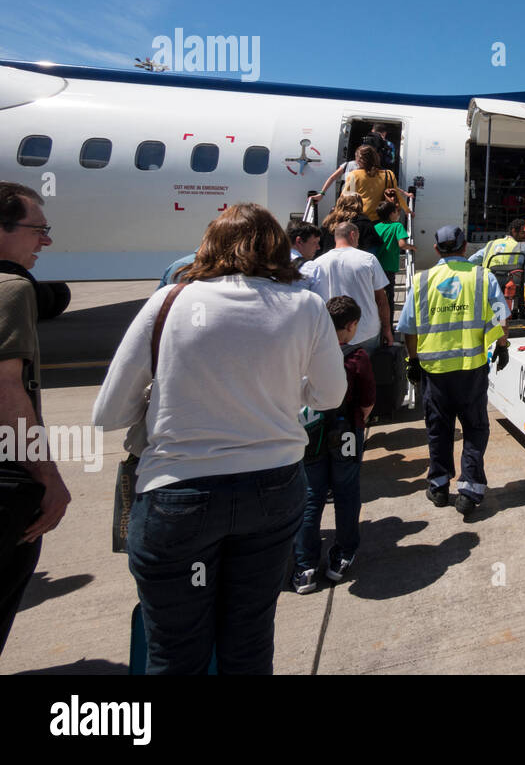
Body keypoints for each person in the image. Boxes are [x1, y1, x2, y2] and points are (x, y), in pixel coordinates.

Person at [92, 203, 346, 674]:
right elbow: (330, 396)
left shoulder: (169, 301)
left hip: (178, 491)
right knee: (249, 640)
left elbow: (107, 412)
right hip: (271, 489)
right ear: (277, 247)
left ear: (210, 245)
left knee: (175, 652)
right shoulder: (306, 305)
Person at [0, 182, 70, 655]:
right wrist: (48, 478)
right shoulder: (12, 288)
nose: (45, 241)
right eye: (38, 230)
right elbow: (6, 392)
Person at [399, 224, 509, 517]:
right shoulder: (482, 277)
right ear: (464, 247)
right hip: (471, 368)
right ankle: (470, 488)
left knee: (439, 428)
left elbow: (408, 329)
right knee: (474, 428)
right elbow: (500, 315)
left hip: (434, 370)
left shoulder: (422, 281)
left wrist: (412, 361)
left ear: (436, 249)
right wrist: (503, 344)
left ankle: (438, 484)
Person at [293, 295, 375, 594]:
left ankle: (305, 567)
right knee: (346, 493)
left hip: (310, 434)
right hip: (346, 435)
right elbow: (366, 402)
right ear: (351, 325)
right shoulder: (356, 357)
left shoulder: (306, 353)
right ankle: (342, 554)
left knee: (311, 496)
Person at [300, 222, 392, 352]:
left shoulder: (317, 263)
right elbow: (381, 300)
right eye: (358, 238)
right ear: (353, 235)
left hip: (333, 333)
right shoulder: (368, 259)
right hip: (367, 331)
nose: (358, 242)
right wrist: (387, 329)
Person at [343, 145, 411, 221]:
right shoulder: (388, 174)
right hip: (381, 219)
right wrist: (407, 210)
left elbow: (345, 198)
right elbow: (397, 194)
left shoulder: (354, 175)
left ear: (358, 160)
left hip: (361, 219)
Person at [372, 200, 412, 313]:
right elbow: (402, 244)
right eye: (396, 211)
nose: (398, 214)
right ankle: (389, 327)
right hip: (389, 267)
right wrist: (413, 247)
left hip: (376, 267)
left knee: (376, 298)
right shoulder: (397, 226)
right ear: (391, 214)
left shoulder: (376, 227)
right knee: (388, 298)